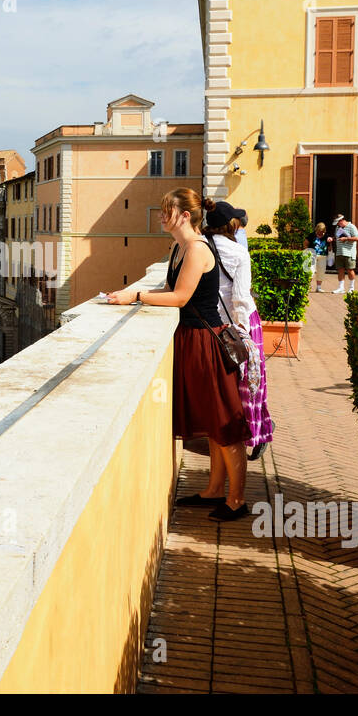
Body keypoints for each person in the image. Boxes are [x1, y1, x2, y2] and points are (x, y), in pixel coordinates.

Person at [106, 189, 250, 521]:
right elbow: (170, 290)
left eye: (166, 210)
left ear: (184, 216)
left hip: (206, 343)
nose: (160, 215)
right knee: (214, 423)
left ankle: (237, 500)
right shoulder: (179, 247)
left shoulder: (197, 249)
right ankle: (214, 490)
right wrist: (130, 293)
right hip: (192, 340)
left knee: (225, 422)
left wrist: (137, 295)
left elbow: (182, 298)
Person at [204, 201, 273, 462]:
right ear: (231, 224)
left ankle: (234, 434)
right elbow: (241, 298)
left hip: (214, 325)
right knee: (250, 383)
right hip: (240, 324)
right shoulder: (237, 252)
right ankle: (254, 432)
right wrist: (243, 332)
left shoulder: (200, 247)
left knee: (227, 387)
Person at [328, 214, 358, 295]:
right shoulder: (338, 228)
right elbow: (337, 237)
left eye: (338, 223)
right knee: (340, 270)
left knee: (350, 270)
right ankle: (341, 288)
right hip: (339, 252)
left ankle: (352, 288)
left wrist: (346, 238)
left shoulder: (352, 227)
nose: (337, 225)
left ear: (341, 220)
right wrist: (332, 239)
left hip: (349, 253)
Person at [308, 222, 328, 292]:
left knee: (321, 271)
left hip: (323, 255)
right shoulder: (312, 235)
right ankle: (307, 286)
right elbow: (305, 243)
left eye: (323, 231)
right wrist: (307, 252)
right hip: (312, 255)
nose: (321, 233)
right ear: (317, 229)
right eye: (320, 231)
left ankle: (318, 287)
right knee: (310, 271)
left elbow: (329, 244)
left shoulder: (326, 236)